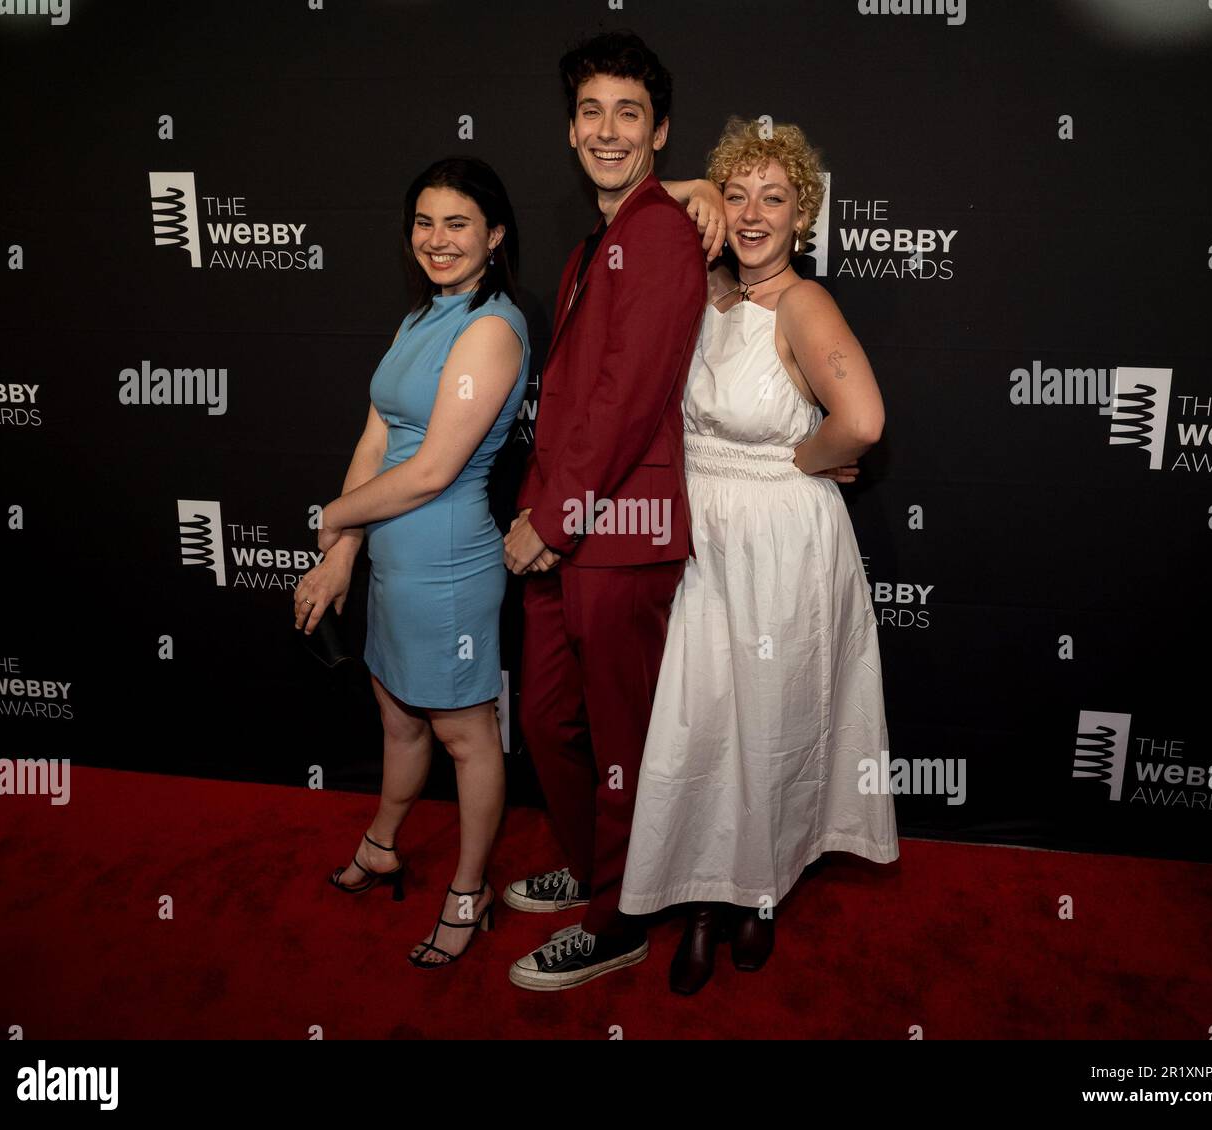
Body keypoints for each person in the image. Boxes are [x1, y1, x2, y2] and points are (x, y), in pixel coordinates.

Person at [618, 118, 900, 994]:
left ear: (801, 216)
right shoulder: (698, 289)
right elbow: (625, 204)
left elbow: (862, 422)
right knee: (701, 716)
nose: (751, 214)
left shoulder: (804, 303)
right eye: (735, 194)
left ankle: (759, 893)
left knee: (772, 717)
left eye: (773, 198)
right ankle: (702, 898)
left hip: (778, 538)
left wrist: (800, 458)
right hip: (697, 530)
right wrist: (688, 193)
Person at [500, 31, 710, 990]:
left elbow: (629, 396)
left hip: (620, 536)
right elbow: (572, 402)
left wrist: (554, 519)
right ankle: (591, 866)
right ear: (571, 130)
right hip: (567, 531)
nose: (608, 129)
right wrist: (542, 517)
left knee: (622, 737)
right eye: (591, 112)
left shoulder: (662, 229)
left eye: (630, 112)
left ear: (659, 132)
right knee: (547, 720)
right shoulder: (594, 246)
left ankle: (622, 914)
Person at [294, 156, 530, 969]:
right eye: (424, 223)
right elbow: (376, 440)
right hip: (392, 561)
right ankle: (385, 843)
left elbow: (432, 470)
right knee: (397, 715)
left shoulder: (491, 330)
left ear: (494, 236)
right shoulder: (417, 319)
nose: (438, 239)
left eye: (458, 223)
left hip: (451, 569)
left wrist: (329, 518)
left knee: (465, 735)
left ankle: (471, 891)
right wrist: (344, 555)